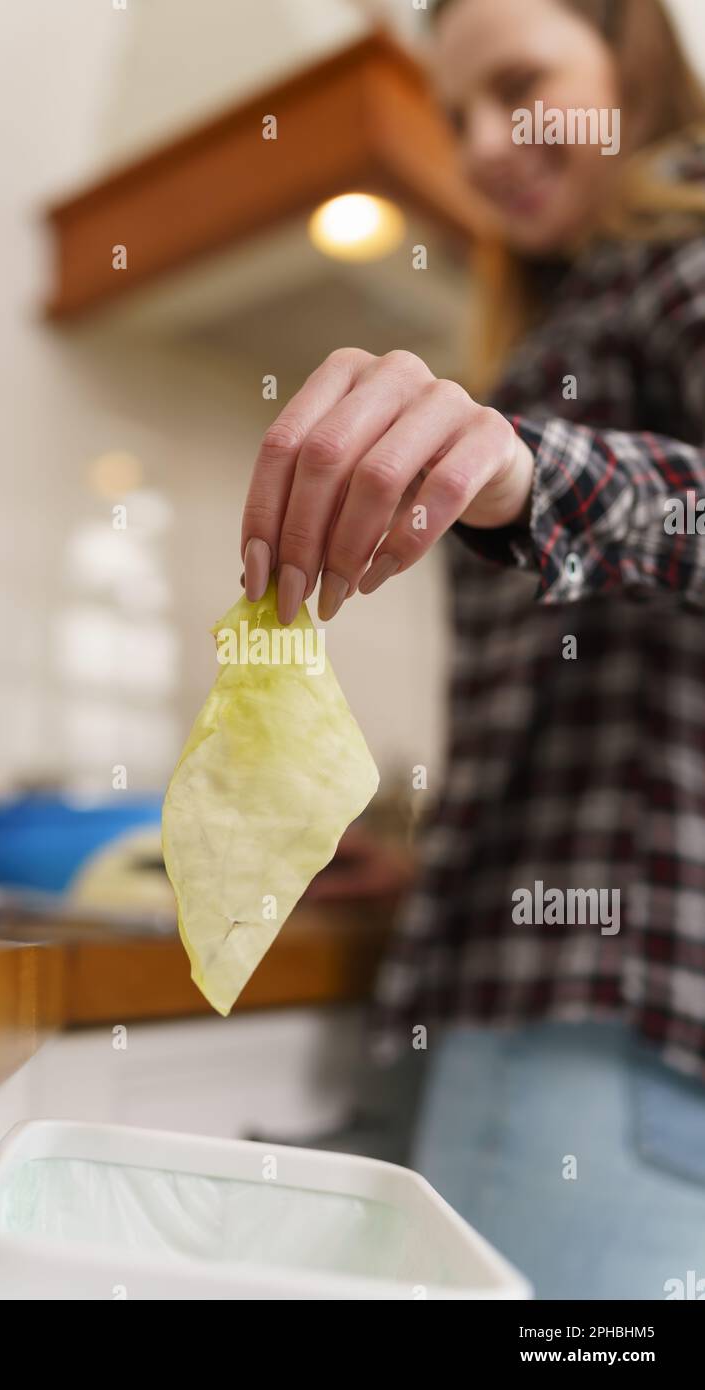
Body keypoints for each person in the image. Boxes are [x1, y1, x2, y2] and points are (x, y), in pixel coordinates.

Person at [239, 0, 705, 1299]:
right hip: (554, 1005)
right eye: (458, 116)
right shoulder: (576, 318)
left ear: (634, 65)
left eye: (523, 86)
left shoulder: (687, 260)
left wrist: (523, 463)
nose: (487, 144)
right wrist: (436, 863)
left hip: (598, 1030)